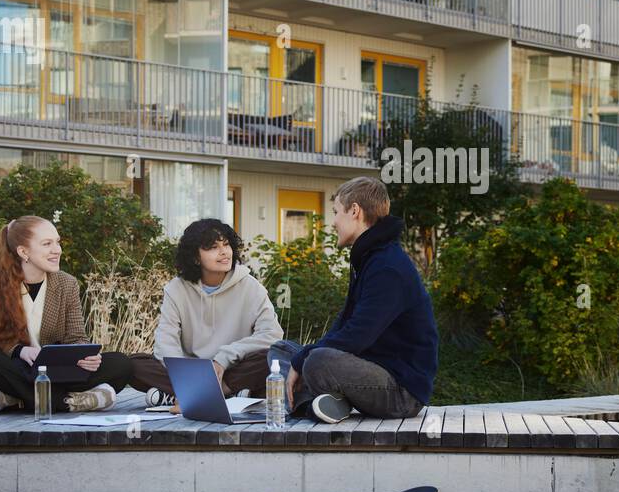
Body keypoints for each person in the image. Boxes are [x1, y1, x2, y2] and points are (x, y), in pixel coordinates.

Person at [267, 176, 437, 423]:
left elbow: (357, 336)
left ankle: (312, 405)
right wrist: (300, 357)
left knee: (315, 360)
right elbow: (344, 323)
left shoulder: (388, 267)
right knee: (280, 350)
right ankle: (321, 404)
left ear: (354, 211)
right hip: (369, 369)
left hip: (401, 392)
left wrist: (305, 358)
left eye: (336, 212)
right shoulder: (368, 258)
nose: (333, 221)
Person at [0, 215, 132, 415]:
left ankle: (14, 399)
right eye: (47, 244)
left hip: (52, 370)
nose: (57, 250)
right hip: (12, 367)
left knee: (120, 364)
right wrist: (18, 351)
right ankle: (67, 402)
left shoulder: (67, 283)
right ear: (23, 252)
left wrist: (86, 356)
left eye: (57, 242)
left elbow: (76, 337)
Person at [129, 218, 282, 406]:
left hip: (232, 368)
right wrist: (185, 374)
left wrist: (223, 359)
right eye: (213, 247)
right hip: (192, 371)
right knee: (133, 363)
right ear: (195, 257)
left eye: (226, 244)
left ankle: (183, 395)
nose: (224, 252)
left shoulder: (251, 286)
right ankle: (225, 393)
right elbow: (166, 341)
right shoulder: (176, 289)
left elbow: (272, 335)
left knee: (272, 356)